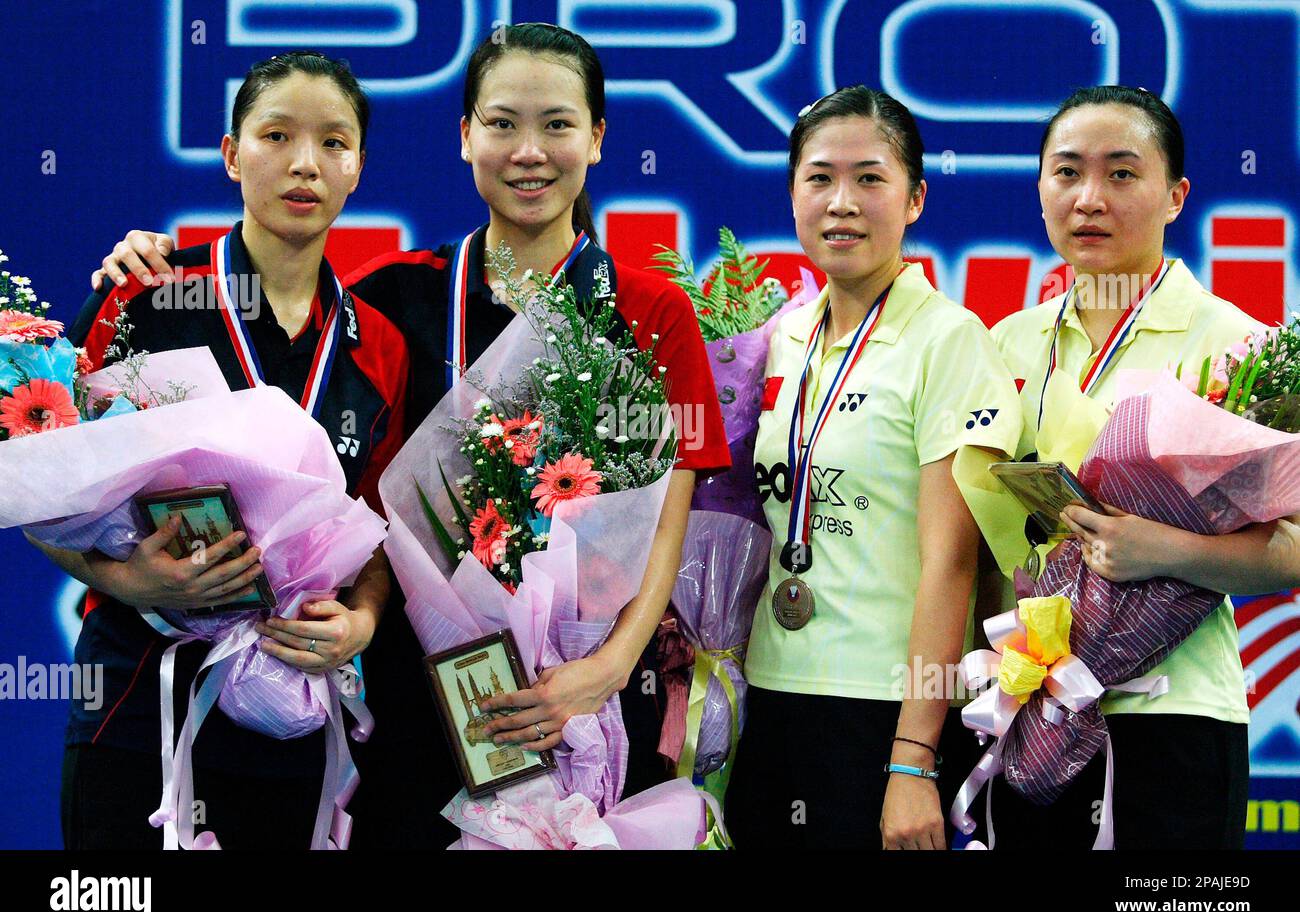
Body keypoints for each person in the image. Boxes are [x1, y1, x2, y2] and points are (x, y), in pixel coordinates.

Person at [93, 23, 730, 848]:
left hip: (588, 694)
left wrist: (608, 666)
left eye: (559, 125)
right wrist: (150, 264)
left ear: (599, 140)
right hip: (417, 691)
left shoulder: (651, 309)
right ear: (465, 137)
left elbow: (671, 512)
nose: (529, 151)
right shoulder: (391, 299)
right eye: (501, 124)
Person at [41, 50, 406, 849]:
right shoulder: (143, 294)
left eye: (334, 144)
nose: (305, 163)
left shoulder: (376, 342)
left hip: (294, 716)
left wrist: (364, 623)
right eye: (276, 136)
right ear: (233, 154)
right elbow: (42, 486)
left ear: (358, 170)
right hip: (141, 703)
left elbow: (379, 526)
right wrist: (124, 575)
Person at [722, 86, 1021, 849]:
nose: (842, 202)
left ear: (915, 198)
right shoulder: (778, 341)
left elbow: (951, 564)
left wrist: (915, 761)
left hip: (884, 713)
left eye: (870, 178)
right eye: (819, 178)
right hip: (772, 694)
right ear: (792, 195)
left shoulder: (950, 342)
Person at [986, 85, 1282, 849]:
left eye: (1122, 173)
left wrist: (1168, 551)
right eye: (1067, 172)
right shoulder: (1007, 344)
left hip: (1171, 718)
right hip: (1034, 709)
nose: (1090, 198)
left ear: (1176, 195)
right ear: (1040, 188)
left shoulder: (1238, 346)